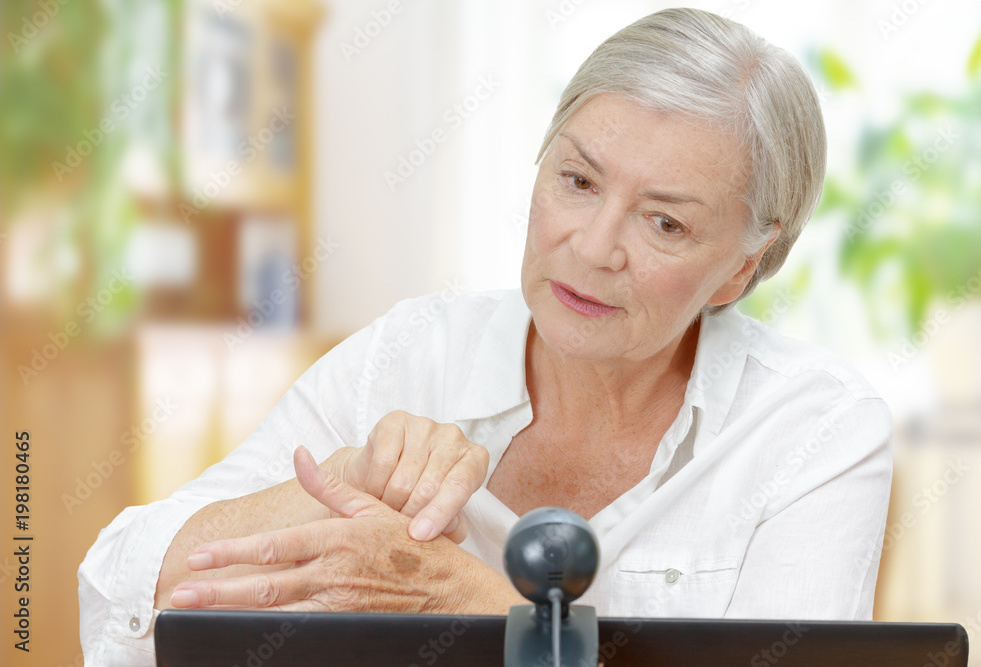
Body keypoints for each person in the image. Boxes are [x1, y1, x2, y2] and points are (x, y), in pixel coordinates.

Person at [79, 7, 892, 664]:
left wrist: (467, 602)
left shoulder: (814, 429)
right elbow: (120, 587)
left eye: (665, 223)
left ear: (740, 268)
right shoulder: (408, 353)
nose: (592, 246)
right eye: (577, 180)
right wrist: (340, 480)